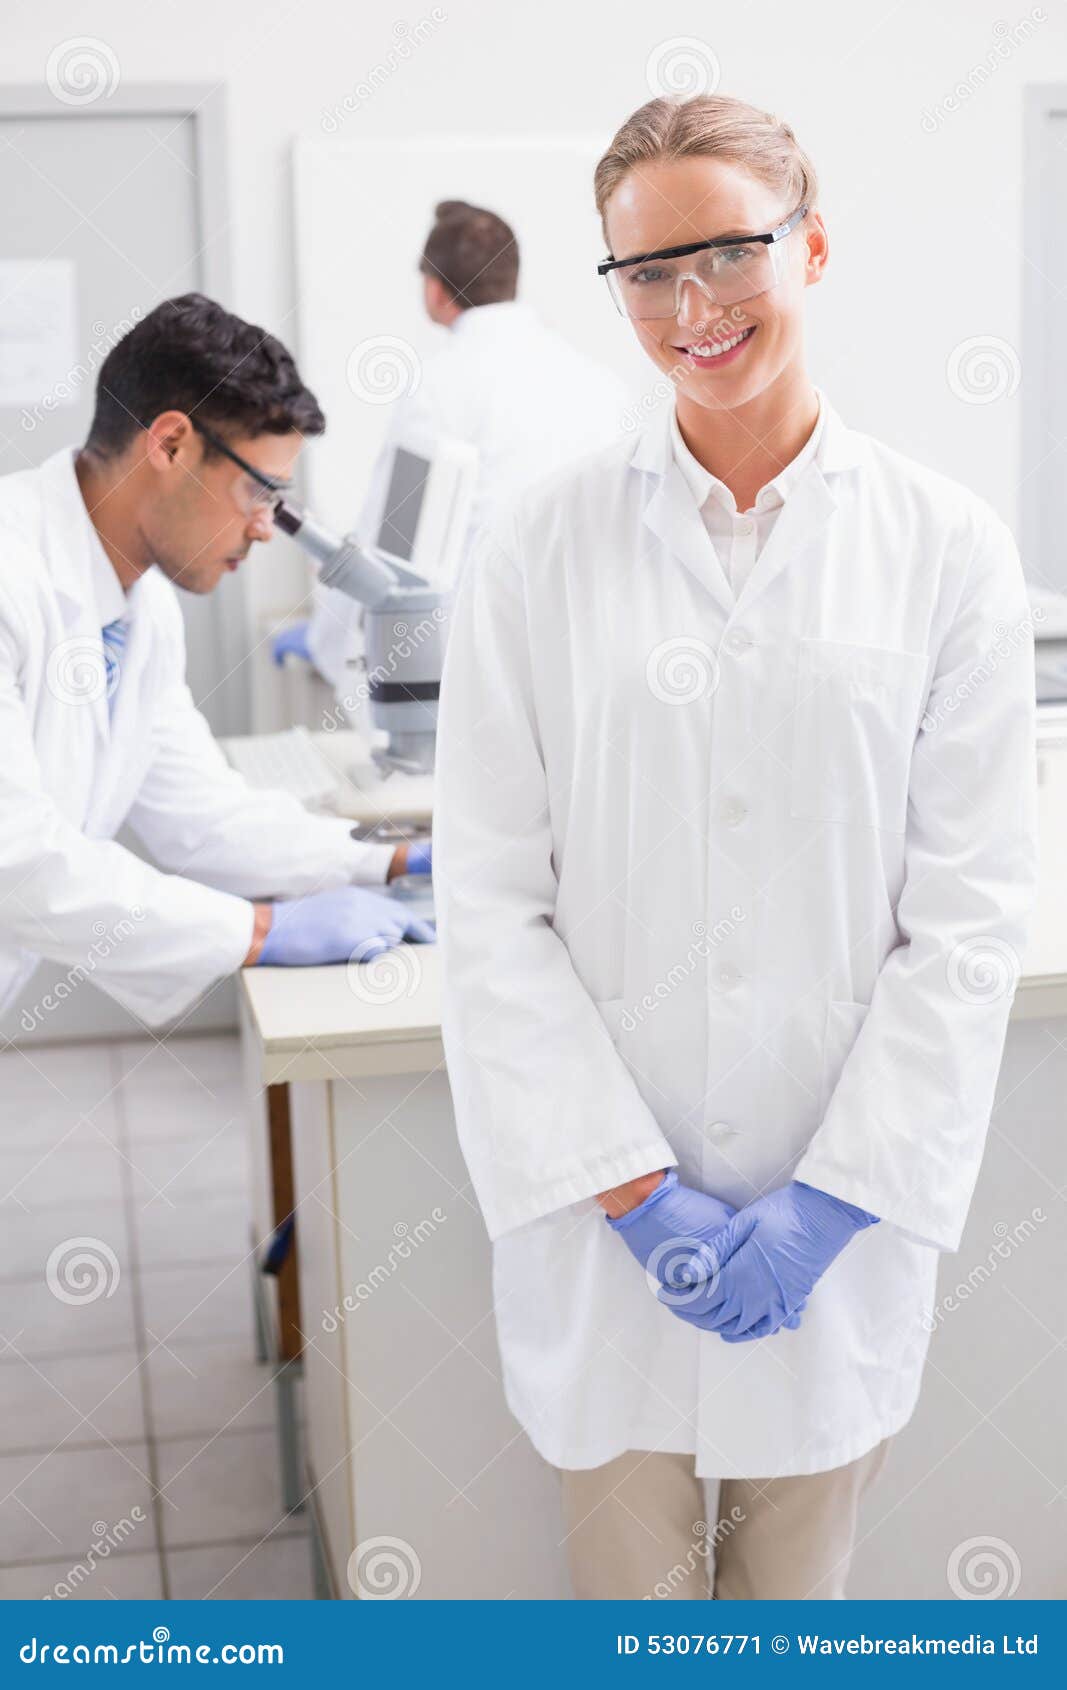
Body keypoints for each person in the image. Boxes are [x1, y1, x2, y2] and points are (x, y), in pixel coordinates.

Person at [434, 95, 1038, 1600]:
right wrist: (634, 1197)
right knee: (628, 1622)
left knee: (793, 1618)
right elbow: (490, 906)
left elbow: (965, 921)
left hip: (830, 1245)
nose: (690, 307)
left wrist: (832, 1203)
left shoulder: (945, 547)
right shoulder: (534, 545)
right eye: (645, 272)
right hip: (607, 1240)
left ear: (811, 246)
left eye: (727, 254)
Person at [0, 294, 432, 1031]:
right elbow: (18, 864)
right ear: (169, 445)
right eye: (258, 491)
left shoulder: (141, 608)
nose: (266, 529)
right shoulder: (13, 576)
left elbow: (201, 817)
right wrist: (261, 932)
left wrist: (398, 861)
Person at [276, 198, 628, 689]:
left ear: (435, 291)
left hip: (480, 667)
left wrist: (327, 641)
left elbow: (390, 550)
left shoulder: (437, 389)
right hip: (594, 663)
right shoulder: (600, 383)